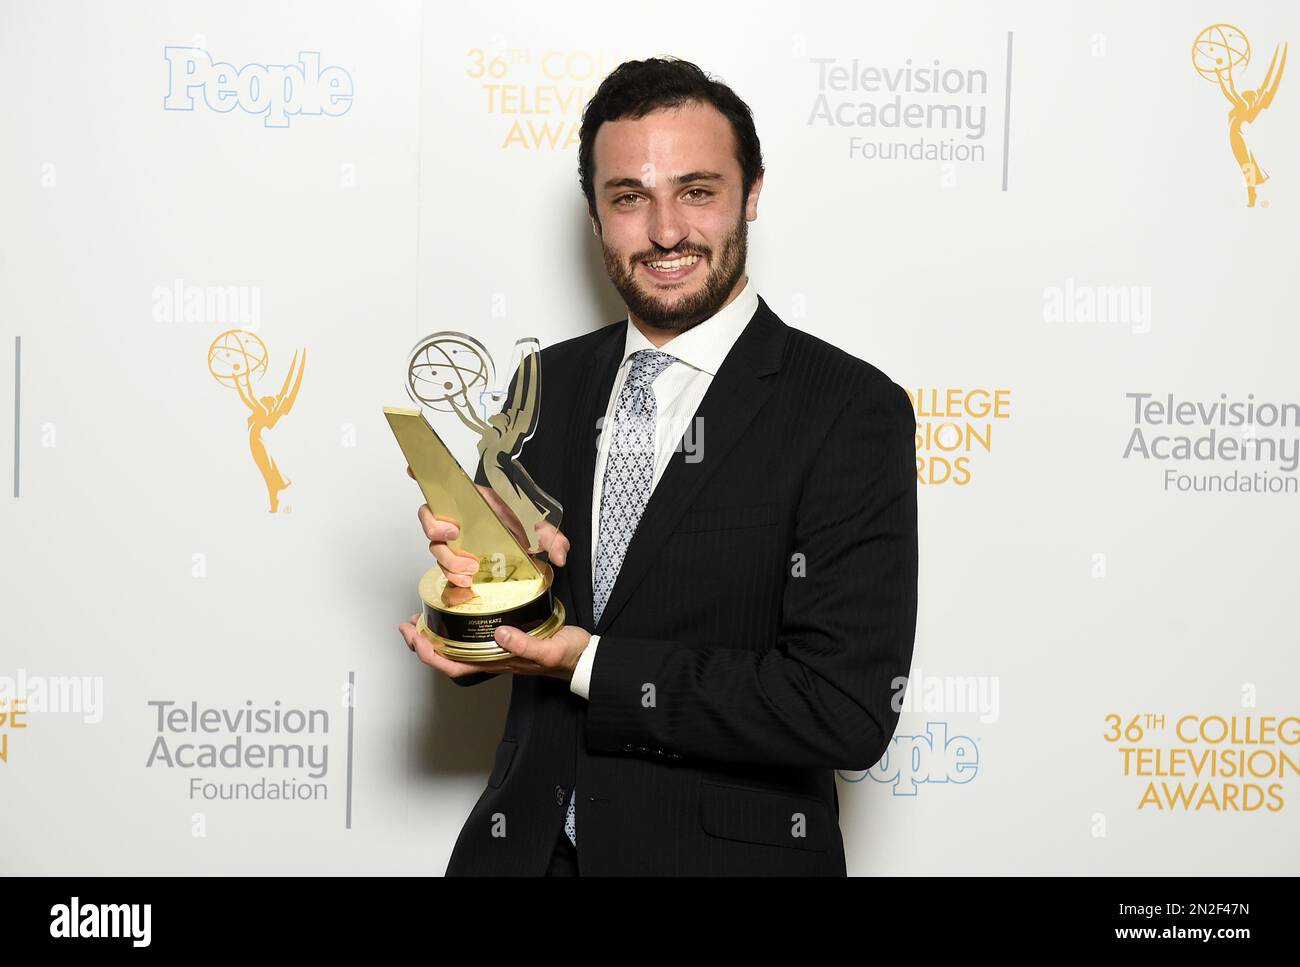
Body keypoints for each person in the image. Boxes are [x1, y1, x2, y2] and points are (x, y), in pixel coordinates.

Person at [398, 56, 918, 876]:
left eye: (698, 191)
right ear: (596, 214)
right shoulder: (546, 384)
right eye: (630, 198)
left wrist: (589, 663)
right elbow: (519, 638)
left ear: (750, 194)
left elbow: (845, 707)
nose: (667, 230)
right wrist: (481, 602)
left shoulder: (847, 410)